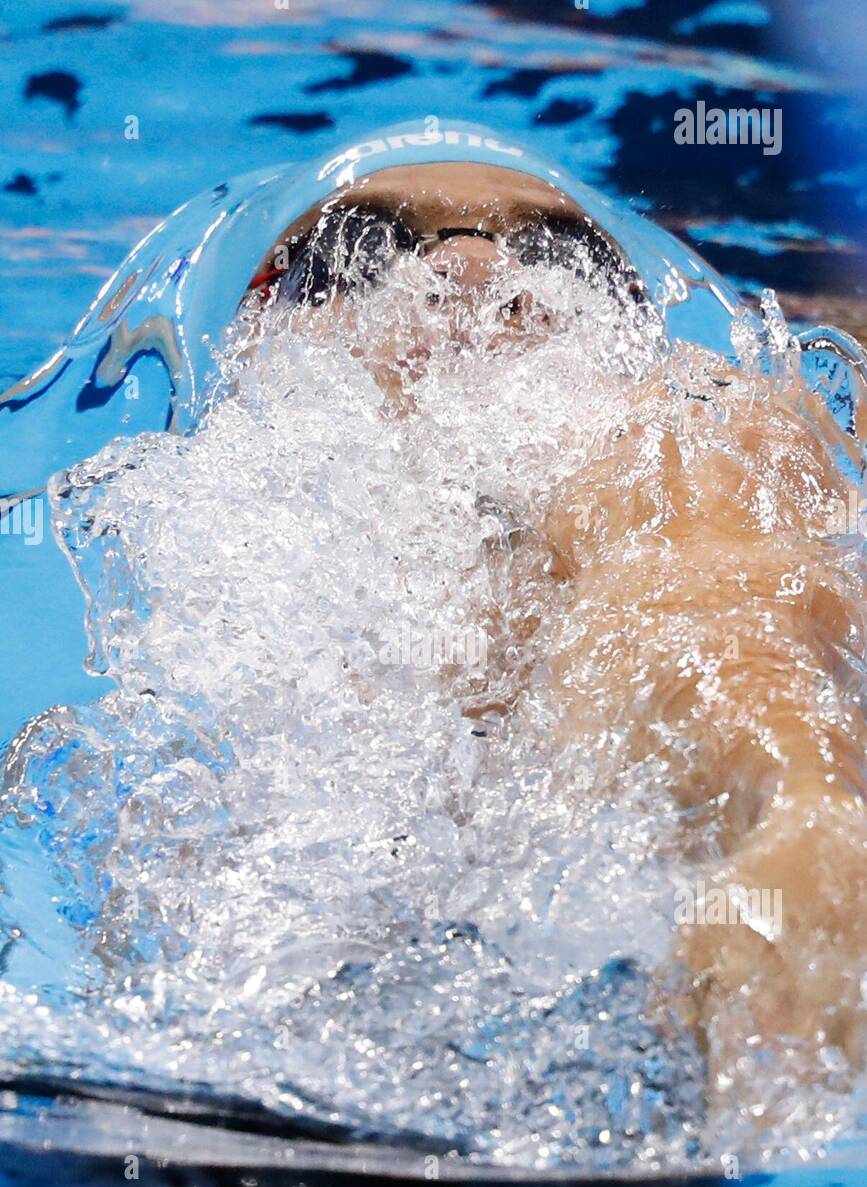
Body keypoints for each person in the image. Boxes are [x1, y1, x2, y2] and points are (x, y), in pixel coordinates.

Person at [243, 151, 867, 1091]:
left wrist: (800, 810)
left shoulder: (676, 431)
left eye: (557, 252)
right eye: (359, 247)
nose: (468, 269)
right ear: (255, 324)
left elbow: (697, 603)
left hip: (597, 1069)